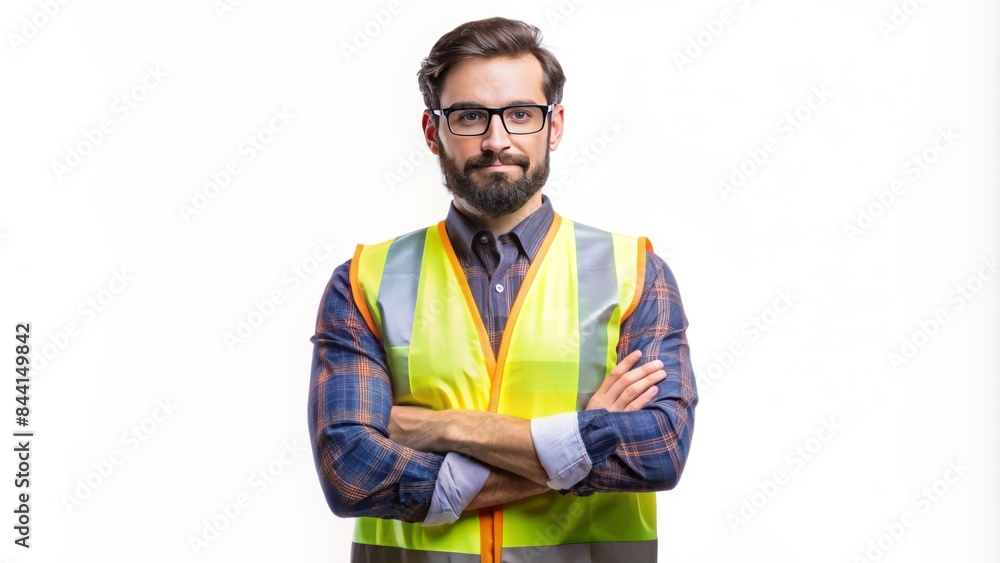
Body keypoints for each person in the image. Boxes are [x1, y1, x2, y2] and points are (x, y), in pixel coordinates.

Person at [308, 16, 697, 563]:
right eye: (470, 117)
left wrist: (446, 427)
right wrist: (581, 441)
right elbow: (350, 475)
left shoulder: (633, 272)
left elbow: (658, 450)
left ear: (553, 126)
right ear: (431, 131)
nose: (497, 141)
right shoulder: (365, 280)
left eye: (520, 115)